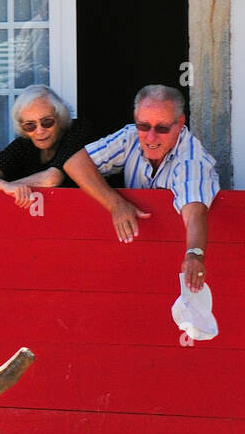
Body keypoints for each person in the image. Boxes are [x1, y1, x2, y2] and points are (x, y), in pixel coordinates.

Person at [62, 84, 219, 292]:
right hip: (128, 268)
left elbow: (194, 211)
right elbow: (74, 164)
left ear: (180, 124)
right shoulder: (131, 135)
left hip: (168, 267)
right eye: (144, 126)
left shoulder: (192, 158)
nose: (151, 137)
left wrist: (194, 254)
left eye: (162, 128)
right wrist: (115, 204)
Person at [0, 85, 94, 208]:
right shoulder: (24, 144)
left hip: (83, 212)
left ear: (60, 118)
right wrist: (6, 186)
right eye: (30, 126)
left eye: (47, 122)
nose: (39, 131)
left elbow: (52, 178)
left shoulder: (77, 130)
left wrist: (10, 187)